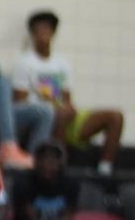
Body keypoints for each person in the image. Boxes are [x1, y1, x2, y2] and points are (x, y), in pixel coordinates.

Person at [13, 10, 124, 176]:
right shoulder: (24, 62)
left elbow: (66, 99)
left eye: (47, 28)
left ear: (53, 32)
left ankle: (105, 169)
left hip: (64, 116)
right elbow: (20, 102)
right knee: (58, 113)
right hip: (44, 118)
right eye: (39, 29)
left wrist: (69, 108)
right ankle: (60, 168)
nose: (43, 33)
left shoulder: (62, 63)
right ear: (33, 34)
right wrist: (54, 108)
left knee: (115, 117)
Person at [0, 9, 48, 167]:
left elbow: (1, 96)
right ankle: (8, 145)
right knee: (1, 82)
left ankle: (35, 161)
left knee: (45, 111)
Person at [14, 143, 80, 220]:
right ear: (36, 162)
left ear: (61, 164)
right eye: (44, 159)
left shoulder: (70, 184)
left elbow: (67, 217)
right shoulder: (23, 183)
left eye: (53, 160)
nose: (48, 165)